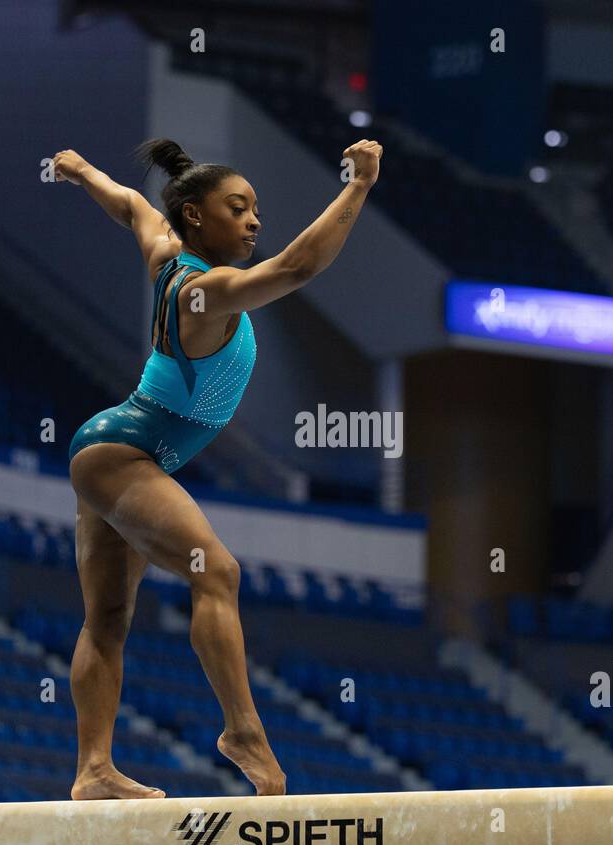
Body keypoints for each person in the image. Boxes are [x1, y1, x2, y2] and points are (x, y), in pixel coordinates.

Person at [53, 136, 383, 798]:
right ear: (197, 217)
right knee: (219, 572)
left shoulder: (167, 256)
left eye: (256, 208)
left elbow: (130, 207)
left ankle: (94, 769)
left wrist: (82, 168)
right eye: (239, 207)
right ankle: (242, 731)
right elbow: (295, 269)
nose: (255, 220)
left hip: (108, 448)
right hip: (127, 452)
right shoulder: (204, 294)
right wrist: (357, 187)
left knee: (109, 619)